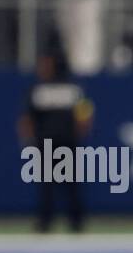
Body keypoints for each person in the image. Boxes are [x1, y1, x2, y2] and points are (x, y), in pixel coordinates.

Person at [19, 49, 92, 233]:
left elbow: (85, 114)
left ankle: (73, 222)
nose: (42, 67)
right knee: (48, 186)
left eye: (46, 63)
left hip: (63, 143)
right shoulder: (41, 89)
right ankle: (48, 222)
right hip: (48, 144)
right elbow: (27, 118)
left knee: (69, 185)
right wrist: (28, 137)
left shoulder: (70, 88)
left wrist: (80, 132)